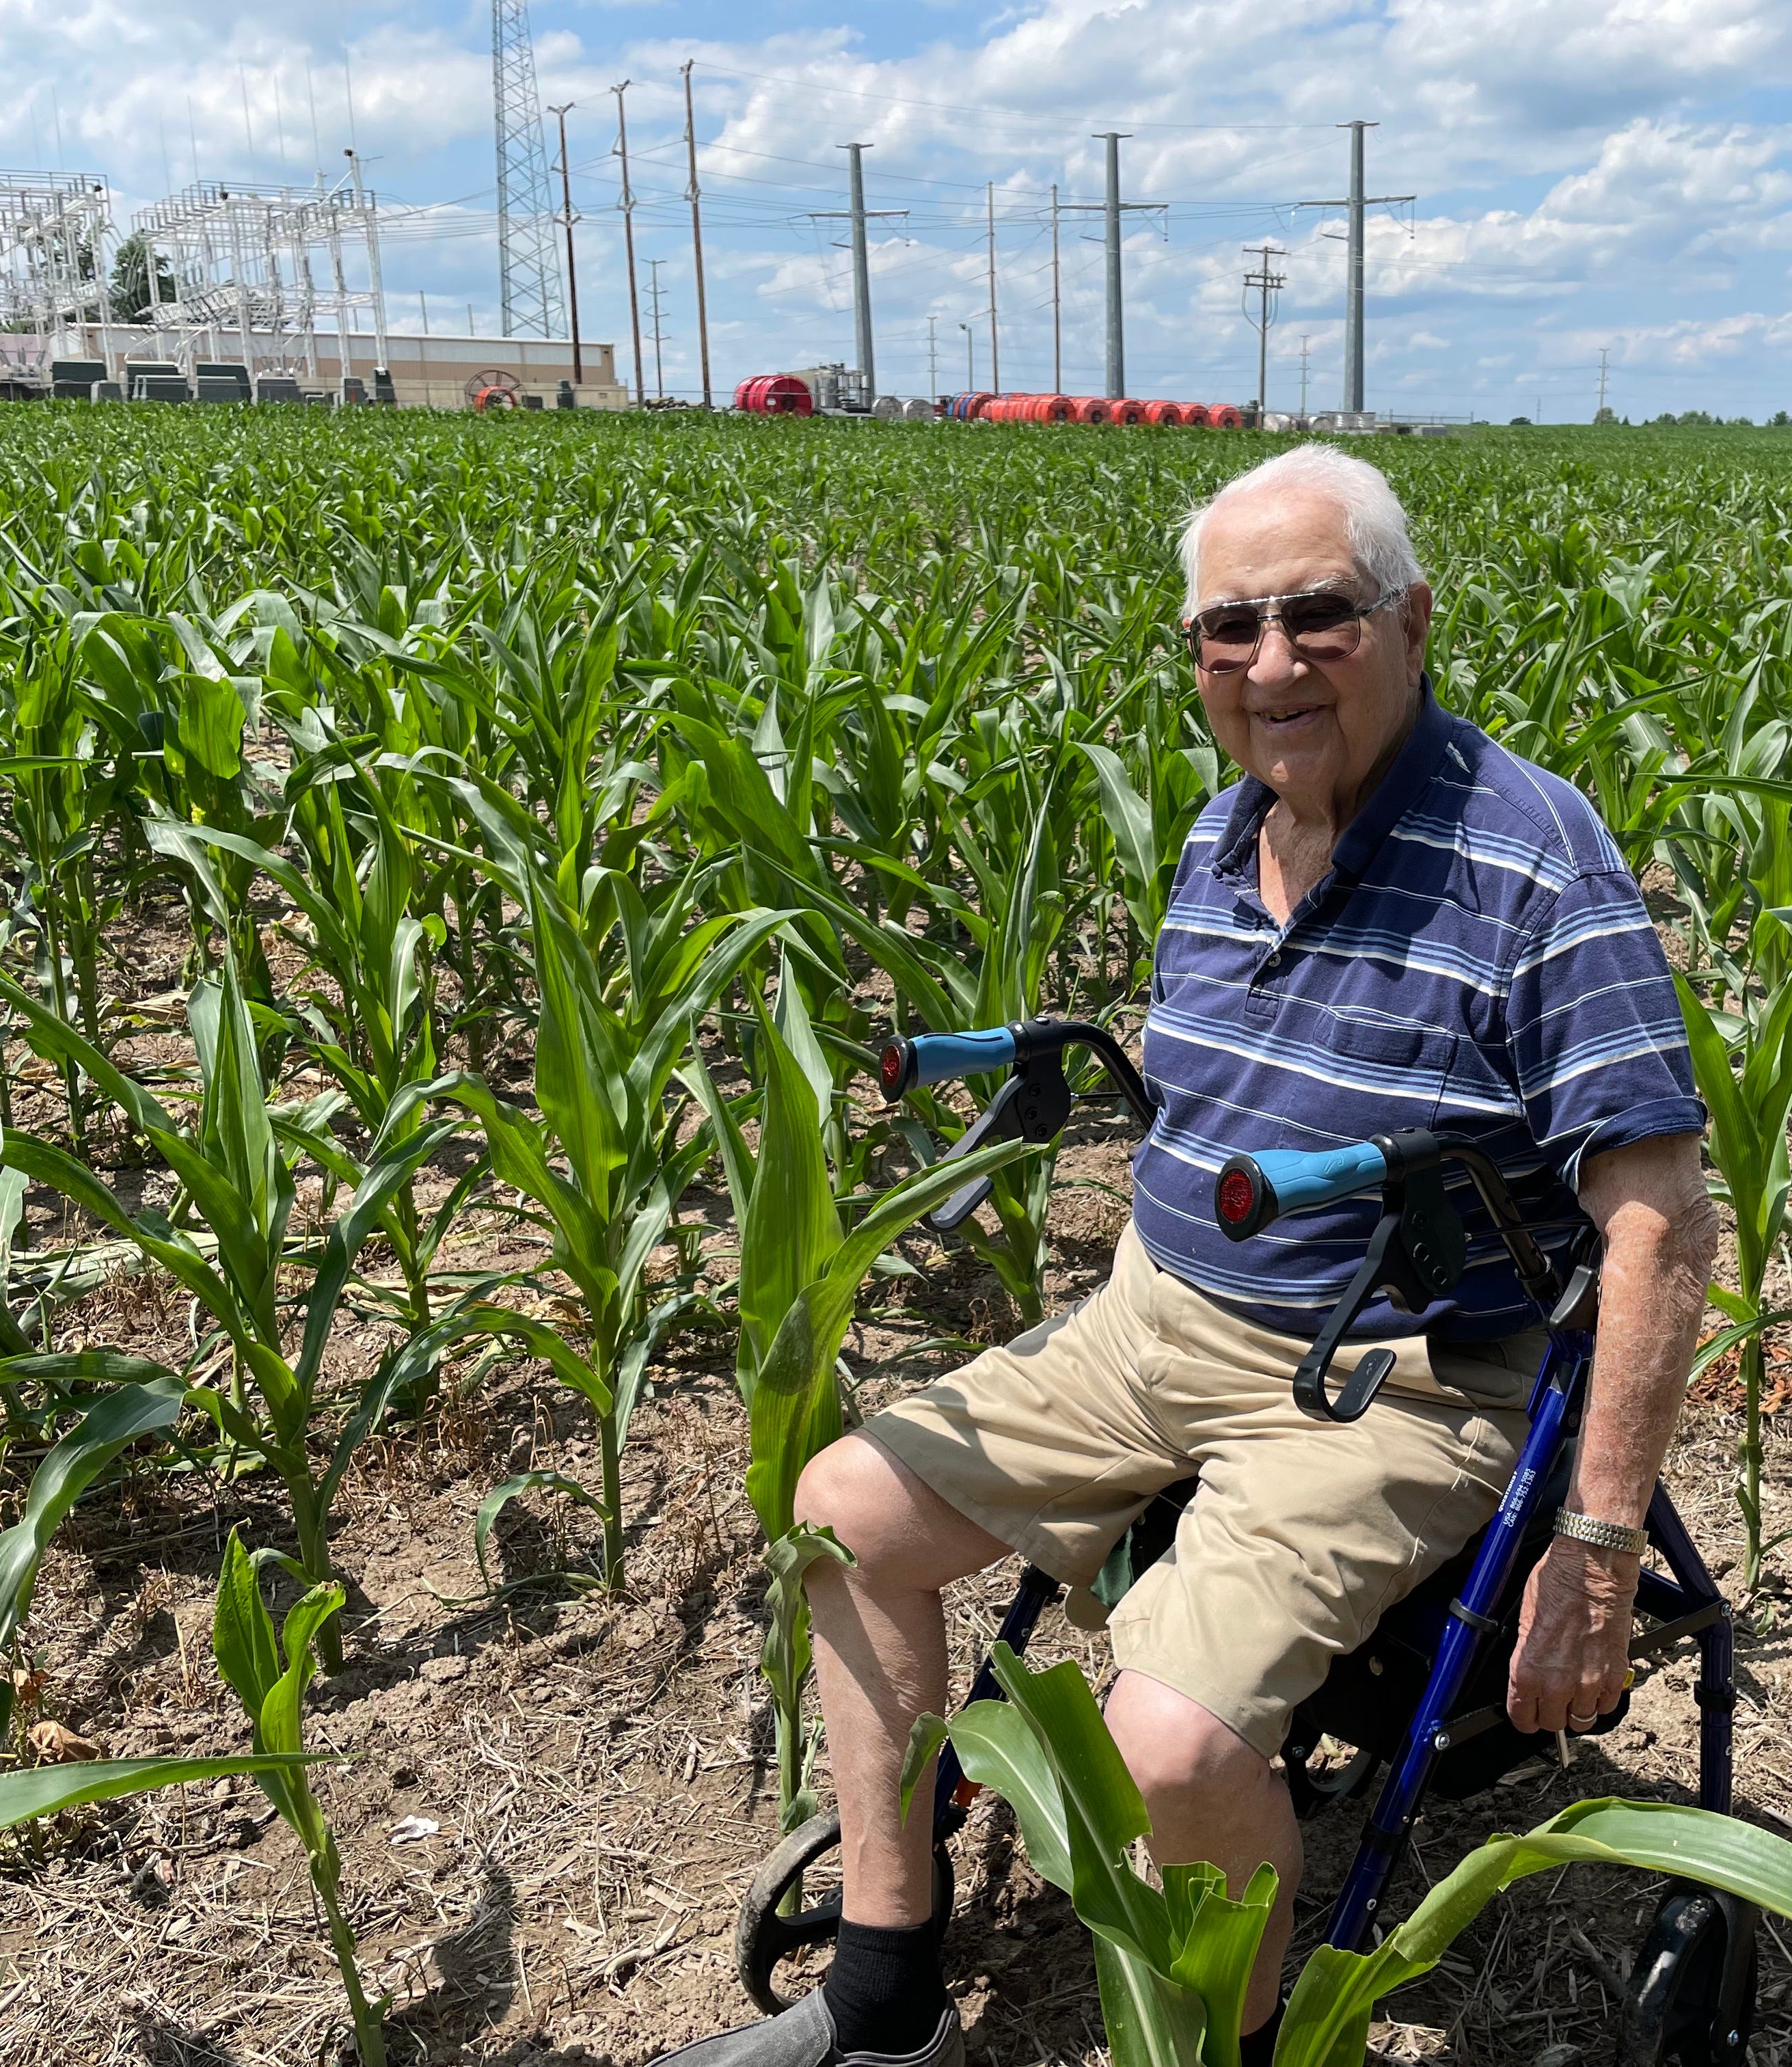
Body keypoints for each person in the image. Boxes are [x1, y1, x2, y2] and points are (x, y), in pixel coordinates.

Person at [666, 444, 1718, 2067]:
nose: (1273, 664)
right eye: (1232, 630)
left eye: (1320, 617)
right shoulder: (1225, 833)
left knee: (1163, 1744)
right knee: (840, 1517)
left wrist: (1595, 1547)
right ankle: (879, 1998)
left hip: (1393, 1386)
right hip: (1158, 1319)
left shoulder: (1534, 862)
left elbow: (1658, 1219)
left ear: (1414, 620)